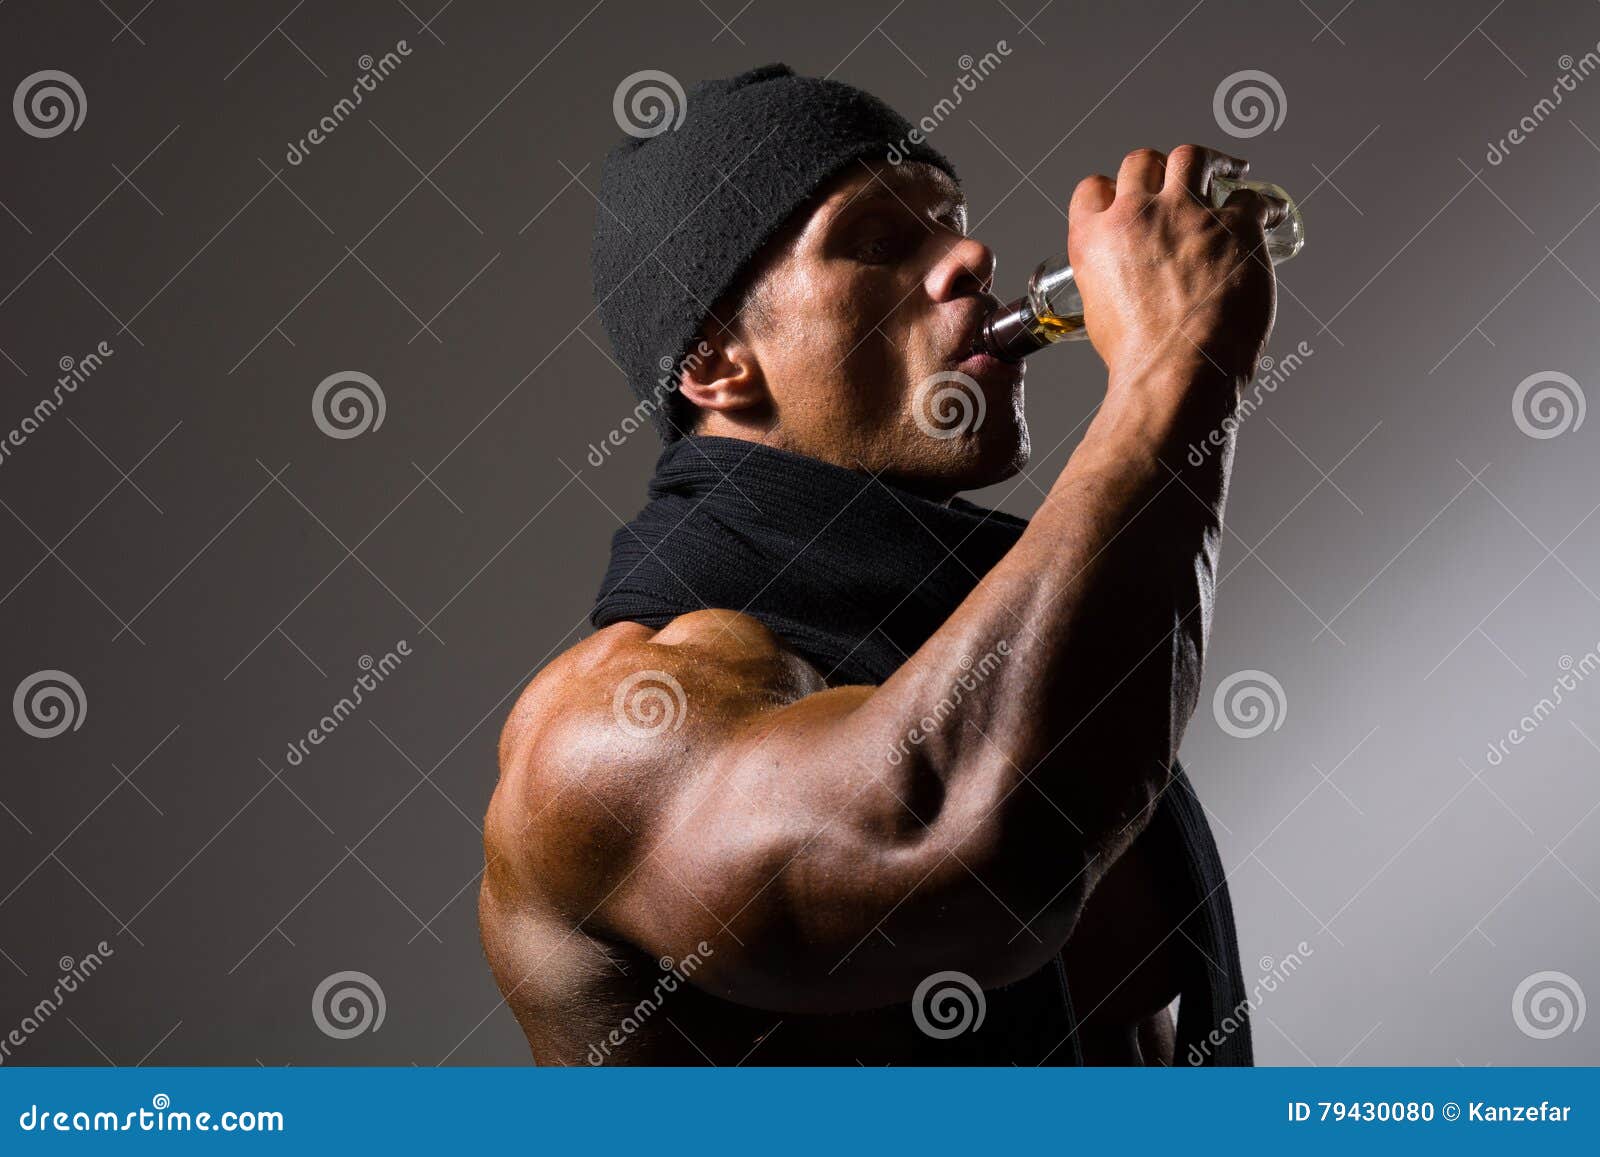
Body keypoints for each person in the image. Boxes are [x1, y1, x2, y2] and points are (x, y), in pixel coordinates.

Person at [479, 64, 1277, 1065]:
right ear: (717, 358)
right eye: (877, 239)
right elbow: (953, 850)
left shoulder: (1007, 642)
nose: (971, 258)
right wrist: (1171, 370)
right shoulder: (604, 730)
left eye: (952, 225)